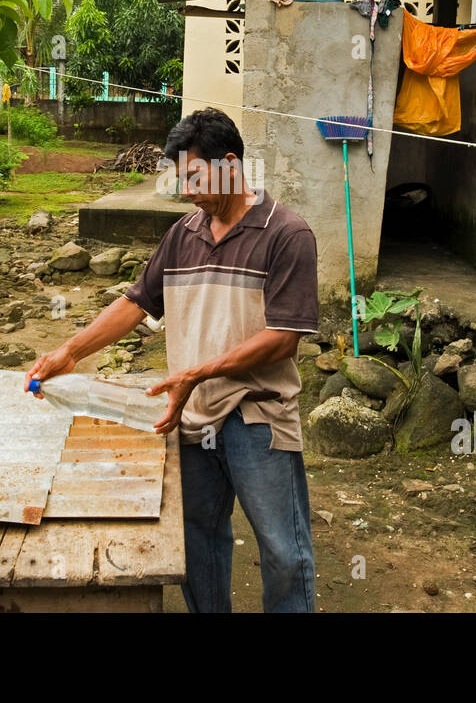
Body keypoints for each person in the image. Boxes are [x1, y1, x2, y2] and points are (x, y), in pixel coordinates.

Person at [25, 107, 319, 613]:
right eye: (180, 177)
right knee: (199, 542)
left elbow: (283, 338)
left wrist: (197, 373)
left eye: (194, 176)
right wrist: (69, 352)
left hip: (257, 416)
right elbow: (136, 303)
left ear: (229, 163)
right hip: (188, 416)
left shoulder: (287, 234)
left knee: (283, 551)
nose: (186, 189)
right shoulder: (183, 234)